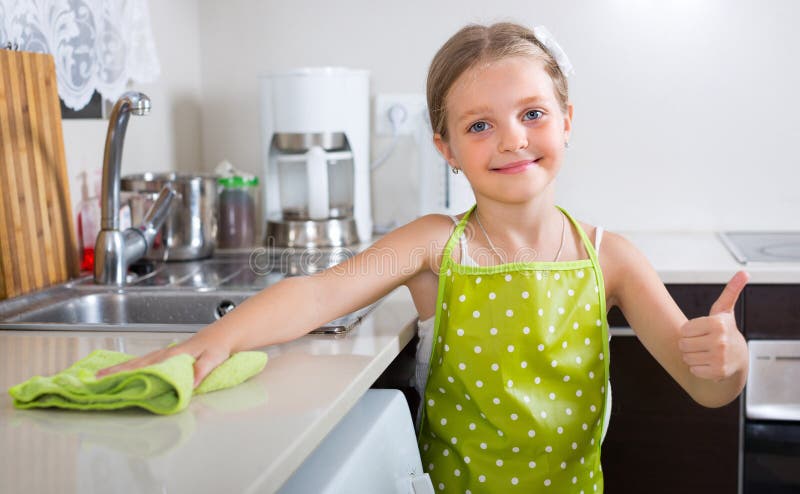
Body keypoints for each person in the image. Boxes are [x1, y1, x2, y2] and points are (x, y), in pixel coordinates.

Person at [99, 22, 749, 492]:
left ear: (567, 121)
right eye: (479, 125)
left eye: (532, 113)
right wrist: (208, 342)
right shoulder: (438, 245)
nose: (512, 139)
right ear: (447, 149)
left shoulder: (612, 259)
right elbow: (317, 295)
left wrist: (730, 363)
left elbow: (706, 387)